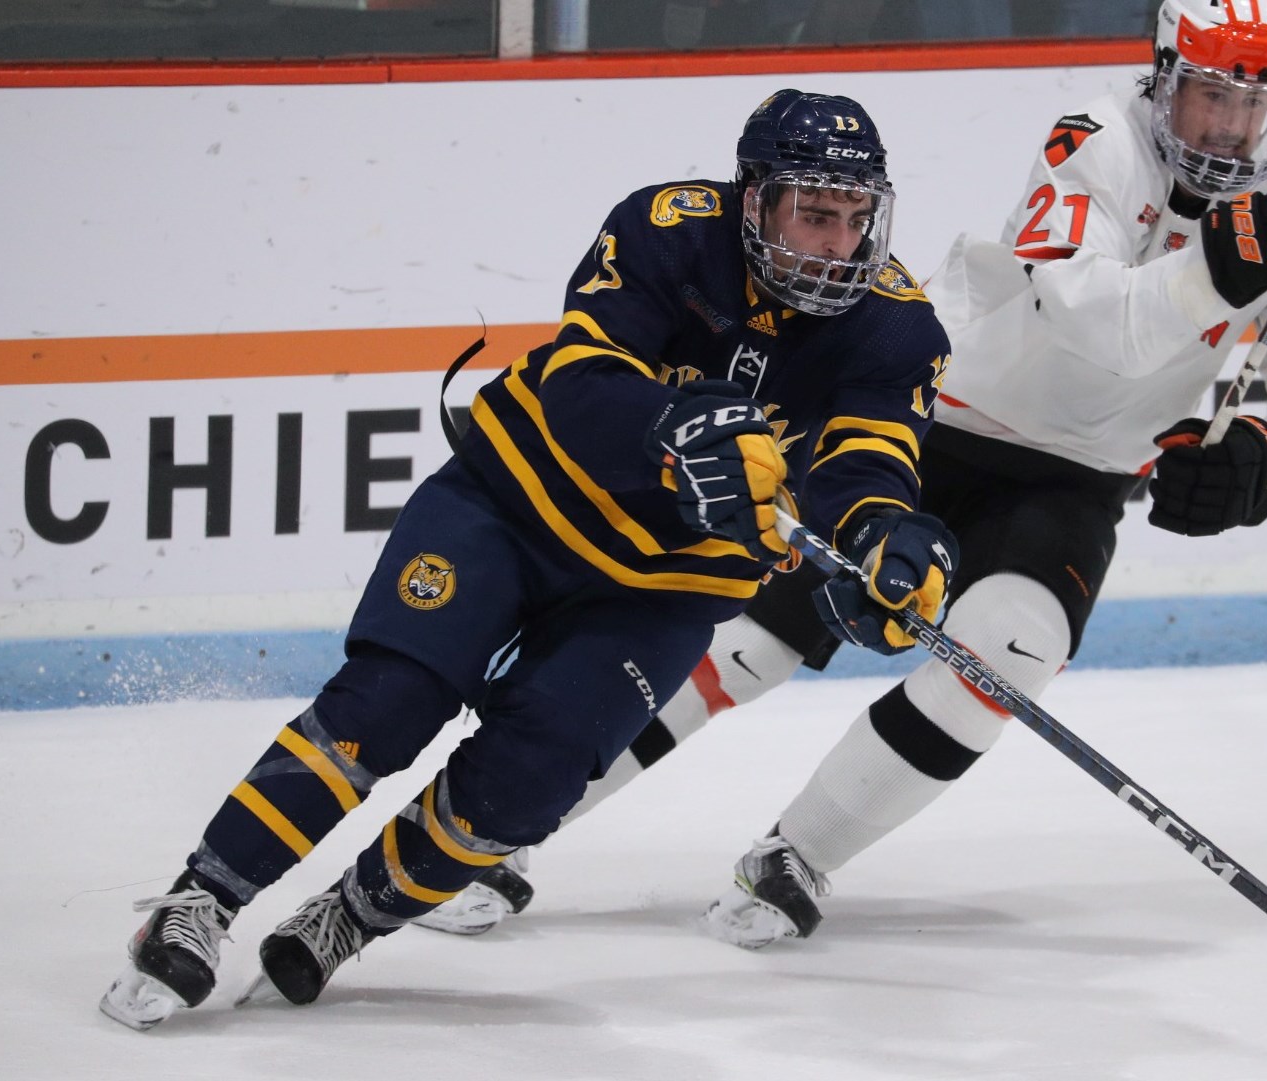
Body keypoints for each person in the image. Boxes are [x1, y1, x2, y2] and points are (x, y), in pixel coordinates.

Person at [416, 0, 1267, 948]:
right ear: (1165, 75)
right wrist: (1227, 260)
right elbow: (1097, 322)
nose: (1232, 129)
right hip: (928, 423)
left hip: (1076, 480)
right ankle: (501, 829)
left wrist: (1262, 466)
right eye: (1213, 97)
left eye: (1255, 106)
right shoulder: (1096, 142)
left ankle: (797, 856)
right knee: (751, 637)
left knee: (1011, 650)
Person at [96, 87, 959, 1029]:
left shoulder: (898, 326)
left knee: (531, 779)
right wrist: (672, 429)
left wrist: (883, 541)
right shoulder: (666, 229)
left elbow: (868, 465)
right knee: (388, 701)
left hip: (665, 589)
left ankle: (344, 919)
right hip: (515, 507)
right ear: (752, 197)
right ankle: (199, 902)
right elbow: (582, 385)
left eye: (852, 217)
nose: (835, 246)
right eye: (811, 213)